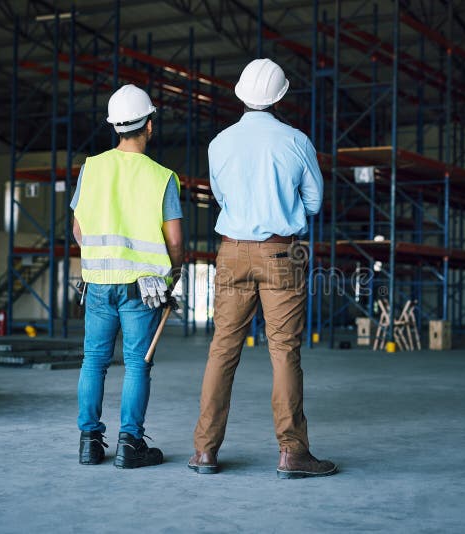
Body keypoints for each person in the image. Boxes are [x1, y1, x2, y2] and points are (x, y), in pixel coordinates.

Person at [189, 58, 336, 479]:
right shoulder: (296, 141)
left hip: (231, 252)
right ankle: (293, 453)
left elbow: (221, 196)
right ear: (281, 96)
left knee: (222, 349)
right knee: (284, 350)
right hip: (281, 252)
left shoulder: (219, 143)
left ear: (240, 94)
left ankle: (204, 451)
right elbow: (313, 202)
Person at [71, 84, 184, 468]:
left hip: (98, 284)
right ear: (149, 125)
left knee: (93, 361)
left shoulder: (92, 167)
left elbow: (78, 229)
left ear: (115, 127)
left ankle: (89, 443)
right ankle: (130, 445)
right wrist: (174, 273)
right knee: (137, 364)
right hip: (143, 288)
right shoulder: (162, 176)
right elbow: (175, 241)